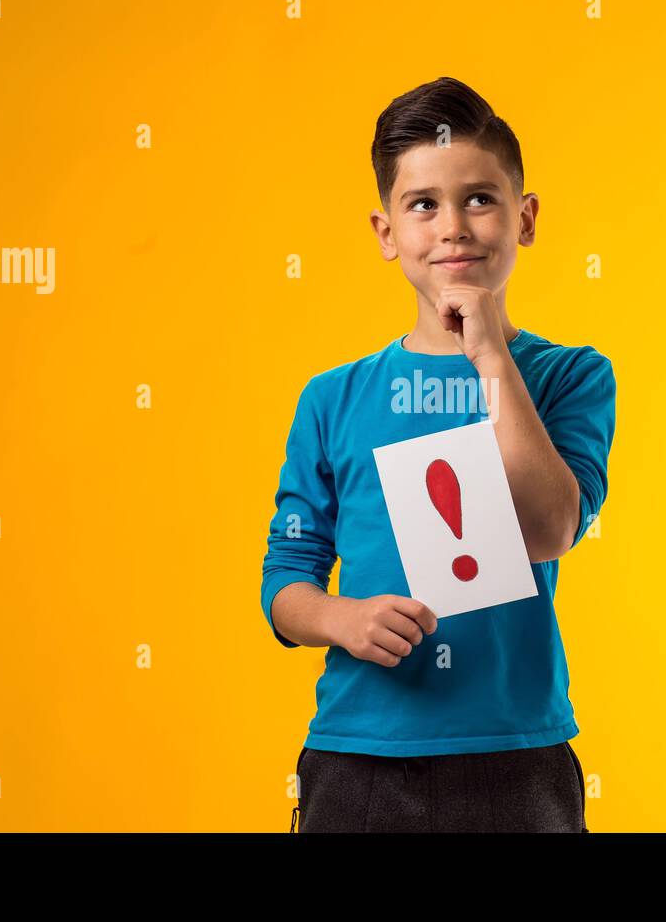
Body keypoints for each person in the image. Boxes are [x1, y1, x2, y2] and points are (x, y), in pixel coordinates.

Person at [261, 77, 615, 832]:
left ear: (524, 219)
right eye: (423, 204)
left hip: (514, 756)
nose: (453, 226)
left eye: (480, 199)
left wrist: (490, 356)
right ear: (387, 233)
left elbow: (551, 530)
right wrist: (342, 619)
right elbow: (285, 584)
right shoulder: (332, 399)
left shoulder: (571, 376)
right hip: (359, 758)